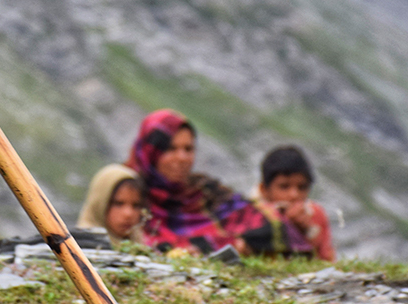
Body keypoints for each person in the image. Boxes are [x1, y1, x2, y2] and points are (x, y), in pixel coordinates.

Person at [127, 109, 312, 258]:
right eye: (171, 149)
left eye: (188, 149)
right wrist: (230, 245)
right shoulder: (130, 191)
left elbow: (261, 219)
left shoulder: (203, 191)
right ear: (150, 151)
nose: (182, 158)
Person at [254, 145, 335, 262]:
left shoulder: (316, 215)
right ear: (264, 189)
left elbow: (327, 259)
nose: (294, 195)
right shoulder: (252, 216)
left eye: (302, 187)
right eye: (284, 186)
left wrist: (307, 232)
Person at [77, 164, 147, 245]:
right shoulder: (78, 247)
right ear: (100, 203)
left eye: (136, 205)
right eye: (118, 204)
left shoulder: (140, 249)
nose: (128, 214)